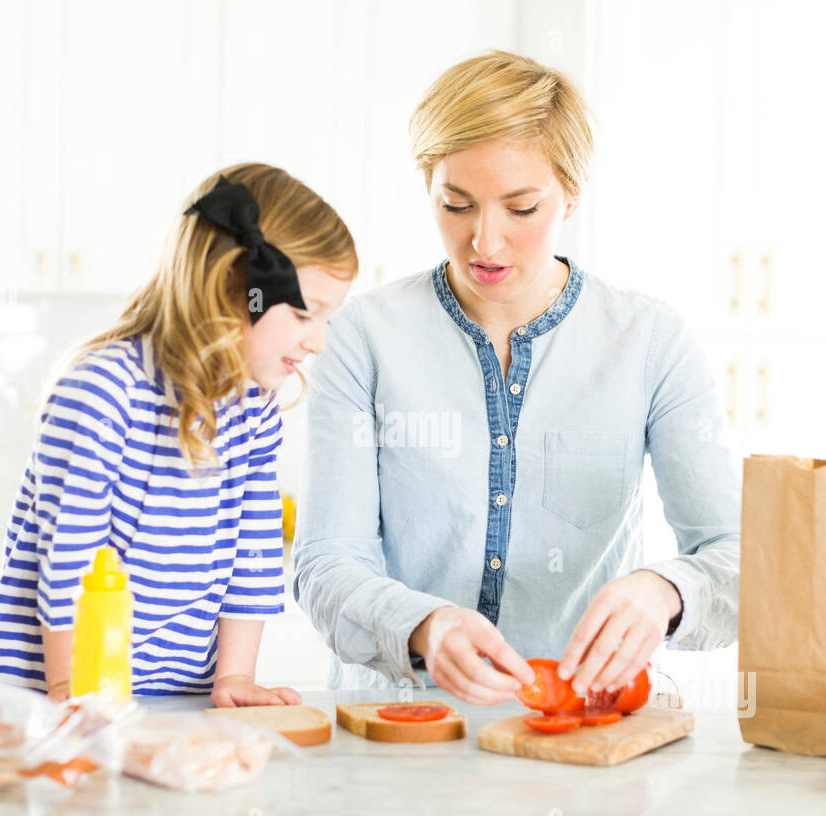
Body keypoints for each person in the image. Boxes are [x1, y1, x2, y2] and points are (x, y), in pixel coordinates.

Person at [294, 51, 740, 703]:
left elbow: (739, 560)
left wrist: (666, 592)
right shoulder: (362, 336)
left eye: (521, 208)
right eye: (456, 204)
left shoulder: (649, 341)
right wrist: (422, 627)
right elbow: (326, 565)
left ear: (571, 195)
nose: (485, 242)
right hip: (399, 728)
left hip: (583, 728)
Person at [0, 164, 356, 704]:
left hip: (171, 698)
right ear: (232, 288)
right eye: (303, 314)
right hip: (44, 696)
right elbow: (70, 556)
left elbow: (255, 549)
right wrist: (71, 693)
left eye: (327, 321)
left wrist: (235, 678)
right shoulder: (104, 389)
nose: (318, 343)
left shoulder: (253, 410)